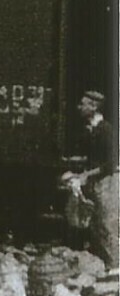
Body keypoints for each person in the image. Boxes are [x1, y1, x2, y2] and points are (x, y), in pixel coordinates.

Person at [66, 89, 118, 268]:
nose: (79, 107)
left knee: (105, 223)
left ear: (94, 107)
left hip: (106, 182)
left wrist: (86, 174)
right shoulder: (90, 129)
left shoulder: (105, 130)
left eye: (83, 104)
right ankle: (104, 265)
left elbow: (110, 164)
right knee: (95, 224)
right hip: (96, 181)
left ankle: (115, 266)